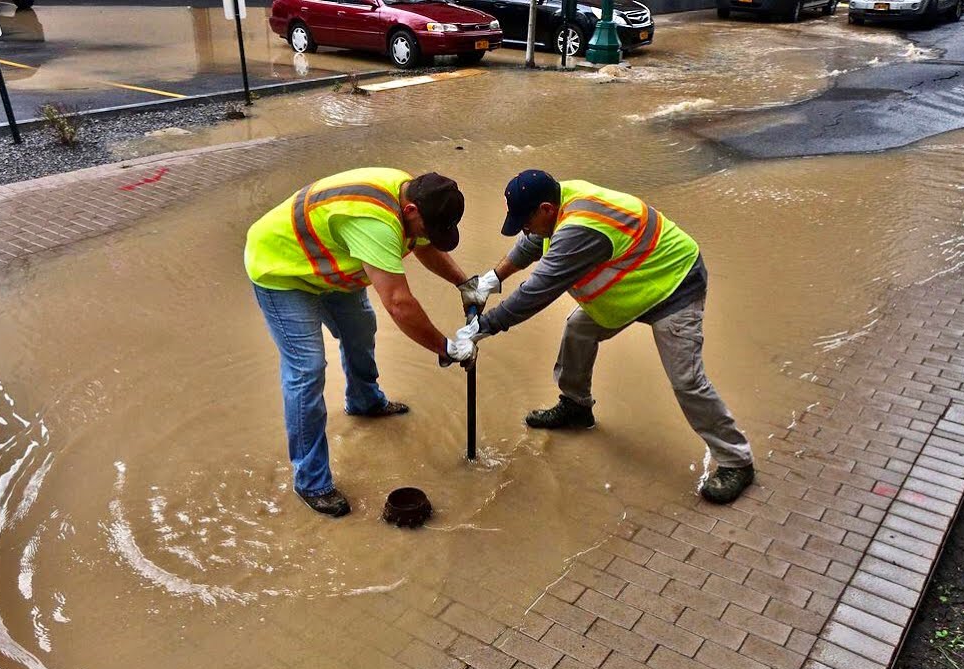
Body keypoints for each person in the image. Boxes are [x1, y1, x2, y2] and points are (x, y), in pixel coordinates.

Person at [453, 170, 756, 505]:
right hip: (634, 283)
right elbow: (532, 242)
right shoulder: (561, 198)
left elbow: (536, 292)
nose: (524, 228)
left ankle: (736, 460)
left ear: (545, 209)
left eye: (526, 220)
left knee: (687, 380)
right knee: (578, 331)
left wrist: (482, 329)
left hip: (674, 284)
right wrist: (492, 279)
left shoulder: (580, 230)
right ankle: (575, 406)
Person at [245, 168, 479, 517]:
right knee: (306, 369)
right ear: (412, 211)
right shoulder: (374, 222)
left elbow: (423, 247)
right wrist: (445, 348)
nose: (428, 236)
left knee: (360, 330)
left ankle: (365, 401)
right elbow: (399, 303)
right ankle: (311, 482)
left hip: (331, 267)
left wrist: (464, 282)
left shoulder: (417, 196)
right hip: (281, 271)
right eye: (430, 229)